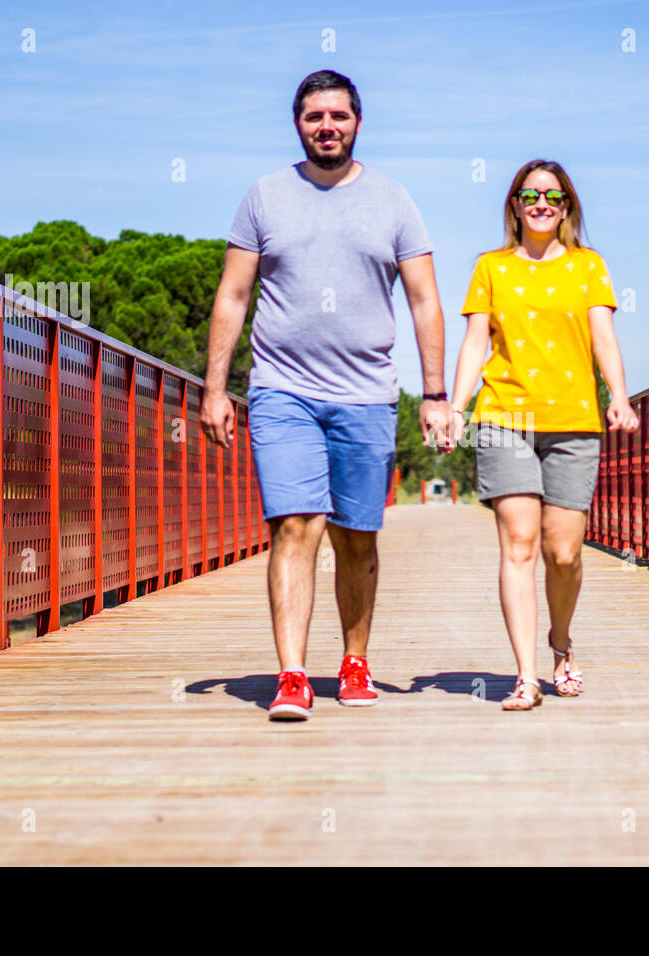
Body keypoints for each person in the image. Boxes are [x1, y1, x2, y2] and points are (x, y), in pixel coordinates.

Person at [201, 70, 450, 721]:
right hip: (282, 390)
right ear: (298, 124)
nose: (327, 127)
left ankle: (354, 661)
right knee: (294, 526)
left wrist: (435, 393)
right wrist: (215, 388)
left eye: (338, 116)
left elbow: (424, 300)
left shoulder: (394, 200)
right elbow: (233, 294)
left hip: (366, 395)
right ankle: (290, 675)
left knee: (356, 537)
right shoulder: (264, 197)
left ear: (357, 122)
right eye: (315, 117)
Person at [447, 159, 640, 711]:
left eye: (552, 197)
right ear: (513, 204)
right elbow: (473, 344)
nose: (540, 204)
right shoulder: (491, 267)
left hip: (574, 422)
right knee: (519, 545)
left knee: (563, 552)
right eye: (529, 195)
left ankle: (561, 645)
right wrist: (457, 407)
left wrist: (620, 399)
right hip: (505, 417)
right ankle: (527, 675)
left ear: (567, 207)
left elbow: (604, 337)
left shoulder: (588, 266)